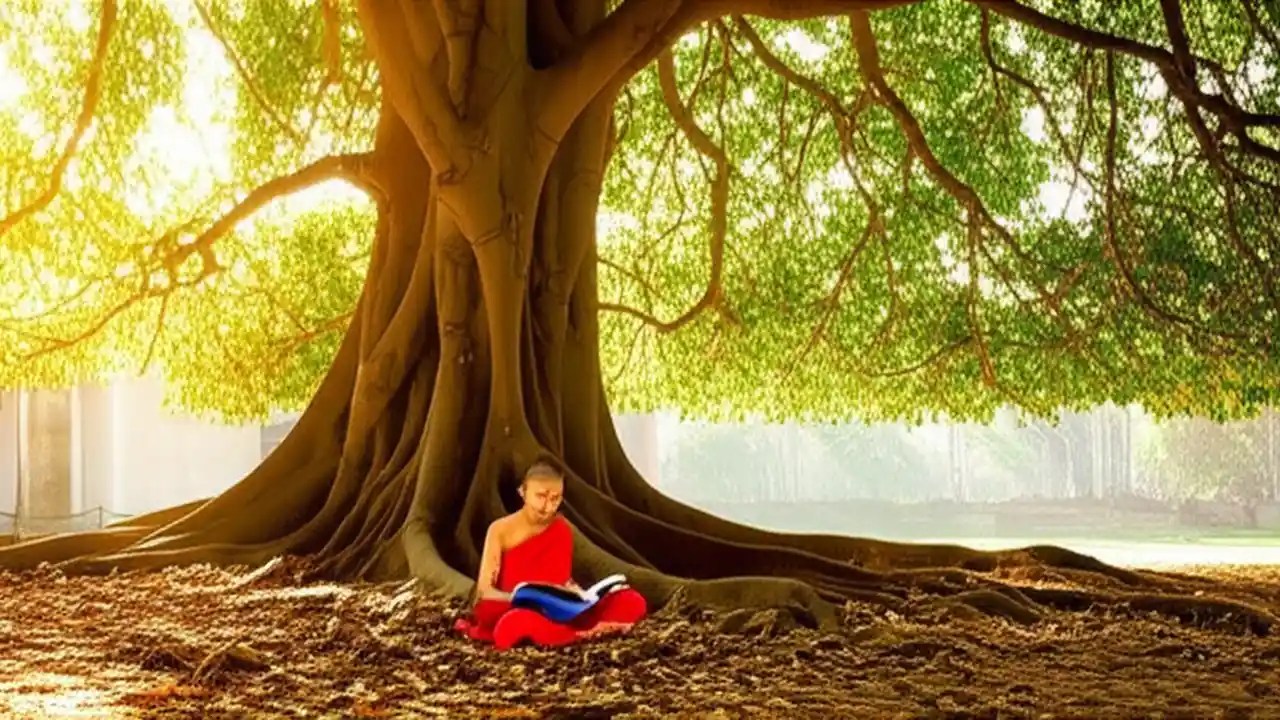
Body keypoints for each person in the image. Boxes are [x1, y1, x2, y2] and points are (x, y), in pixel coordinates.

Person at [453, 458, 647, 650]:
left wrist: (579, 594)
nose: (547, 506)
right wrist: (516, 598)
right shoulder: (499, 530)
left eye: (555, 499)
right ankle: (589, 632)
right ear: (523, 492)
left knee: (632, 600)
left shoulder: (561, 529)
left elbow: (561, 579)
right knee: (507, 621)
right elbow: (484, 590)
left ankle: (572, 633)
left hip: (556, 613)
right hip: (513, 606)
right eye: (541, 496)